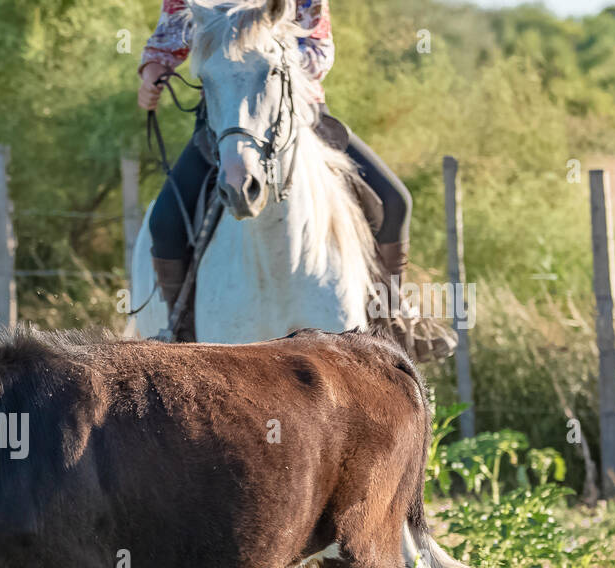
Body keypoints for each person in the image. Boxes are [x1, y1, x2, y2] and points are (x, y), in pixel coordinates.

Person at [138, 0, 412, 325]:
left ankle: (393, 317)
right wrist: (153, 72)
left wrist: (265, 55)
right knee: (164, 221)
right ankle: (177, 326)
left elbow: (318, 48)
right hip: (224, 116)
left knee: (395, 202)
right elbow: (168, 37)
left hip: (298, 109)